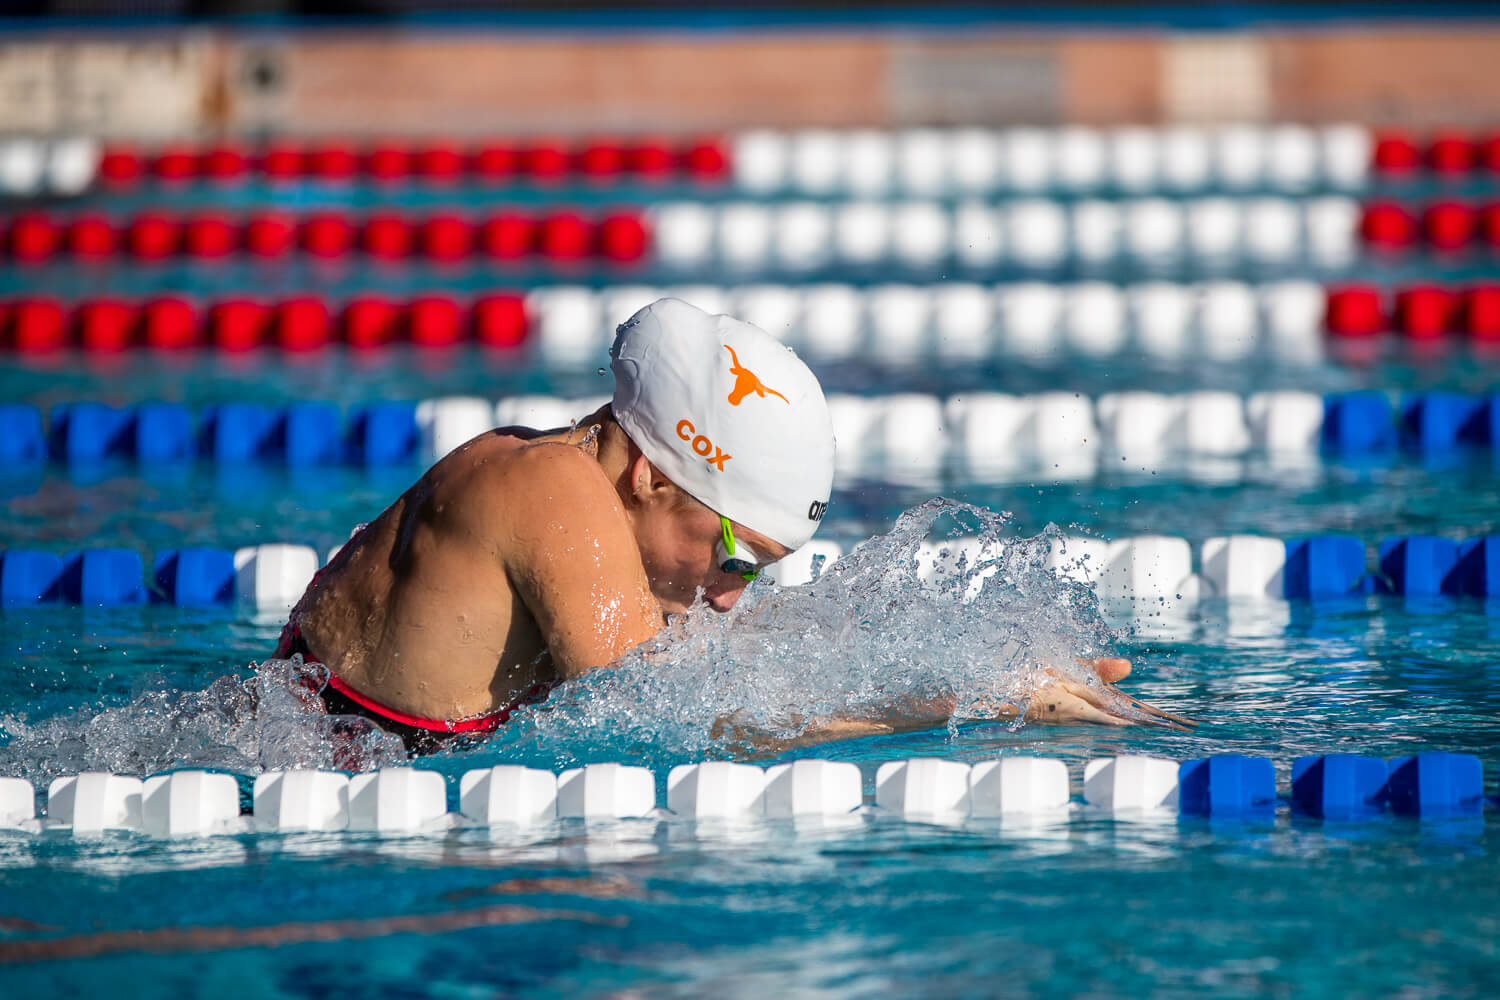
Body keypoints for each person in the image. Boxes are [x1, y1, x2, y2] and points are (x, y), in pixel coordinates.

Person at [275, 298, 1184, 755]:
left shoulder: (595, 505)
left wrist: (986, 659)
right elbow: (668, 718)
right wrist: (964, 706)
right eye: (739, 556)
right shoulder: (552, 493)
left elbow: (734, 663)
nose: (730, 592)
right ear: (646, 473)